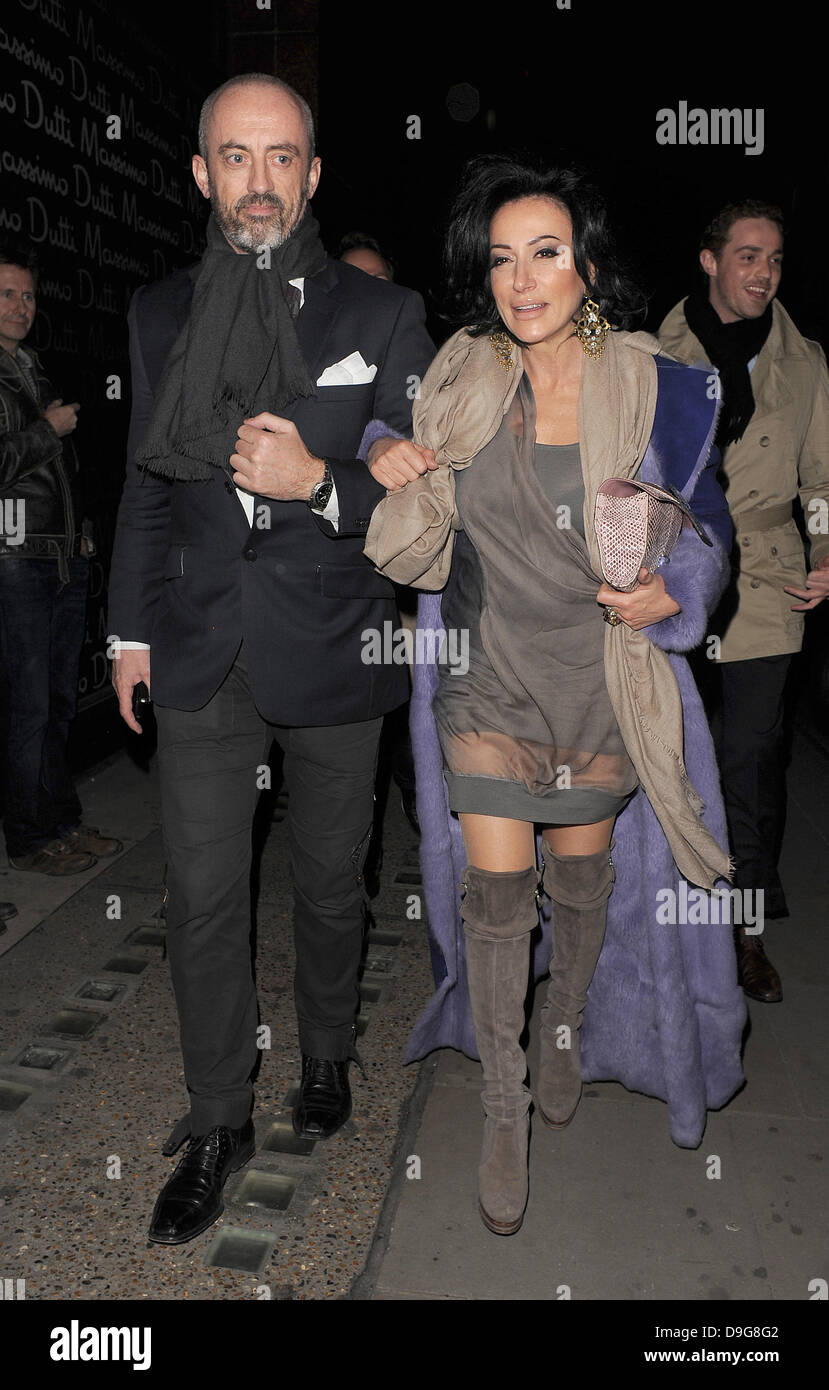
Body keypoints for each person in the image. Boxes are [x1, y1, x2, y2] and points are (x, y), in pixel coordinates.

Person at [365, 156, 746, 1236]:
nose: (520, 281)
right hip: (486, 682)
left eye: (544, 253)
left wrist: (675, 590)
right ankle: (501, 1109)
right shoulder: (463, 371)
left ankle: (565, 1023)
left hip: (598, 689)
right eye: (499, 259)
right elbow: (387, 437)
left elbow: (706, 530)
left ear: (585, 264)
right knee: (498, 901)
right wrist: (385, 447)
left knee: (578, 891)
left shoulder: (661, 386)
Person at [107, 72, 433, 1246]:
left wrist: (325, 485)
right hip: (200, 646)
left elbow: (427, 497)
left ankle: (330, 1049)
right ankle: (215, 1118)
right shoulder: (157, 314)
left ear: (309, 171)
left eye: (282, 157)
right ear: (202, 174)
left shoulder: (380, 317)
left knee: (329, 881)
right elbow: (145, 486)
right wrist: (129, 631)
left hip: (338, 647)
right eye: (235, 158)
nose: (259, 180)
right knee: (200, 894)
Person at [659, 201, 829, 1004]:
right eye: (748, 256)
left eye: (775, 260)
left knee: (751, 761)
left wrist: (826, 549)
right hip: (675, 570)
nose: (763, 273)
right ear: (709, 260)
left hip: (767, 578)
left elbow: (821, 482)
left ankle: (744, 932)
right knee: (668, 757)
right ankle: (665, 922)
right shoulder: (654, 352)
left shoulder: (807, 362)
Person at [0, 243, 121, 878]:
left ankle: (61, 820)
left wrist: (81, 531)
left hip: (58, 558)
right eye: (7, 294)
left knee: (56, 701)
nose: (21, 306)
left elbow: (56, 474)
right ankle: (28, 836)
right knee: (30, 707)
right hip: (15, 558)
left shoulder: (31, 367)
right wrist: (48, 429)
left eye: (27, 295)